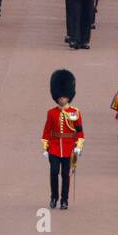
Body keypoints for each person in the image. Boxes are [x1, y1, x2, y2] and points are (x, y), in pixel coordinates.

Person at [42, 69, 84, 209]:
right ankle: (54, 197)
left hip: (68, 148)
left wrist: (78, 146)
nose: (62, 99)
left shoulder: (75, 113)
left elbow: (79, 132)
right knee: (54, 172)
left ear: (69, 96)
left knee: (65, 175)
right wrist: (45, 147)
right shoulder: (51, 113)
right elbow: (47, 131)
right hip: (54, 148)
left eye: (64, 96)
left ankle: (64, 199)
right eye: (60, 97)